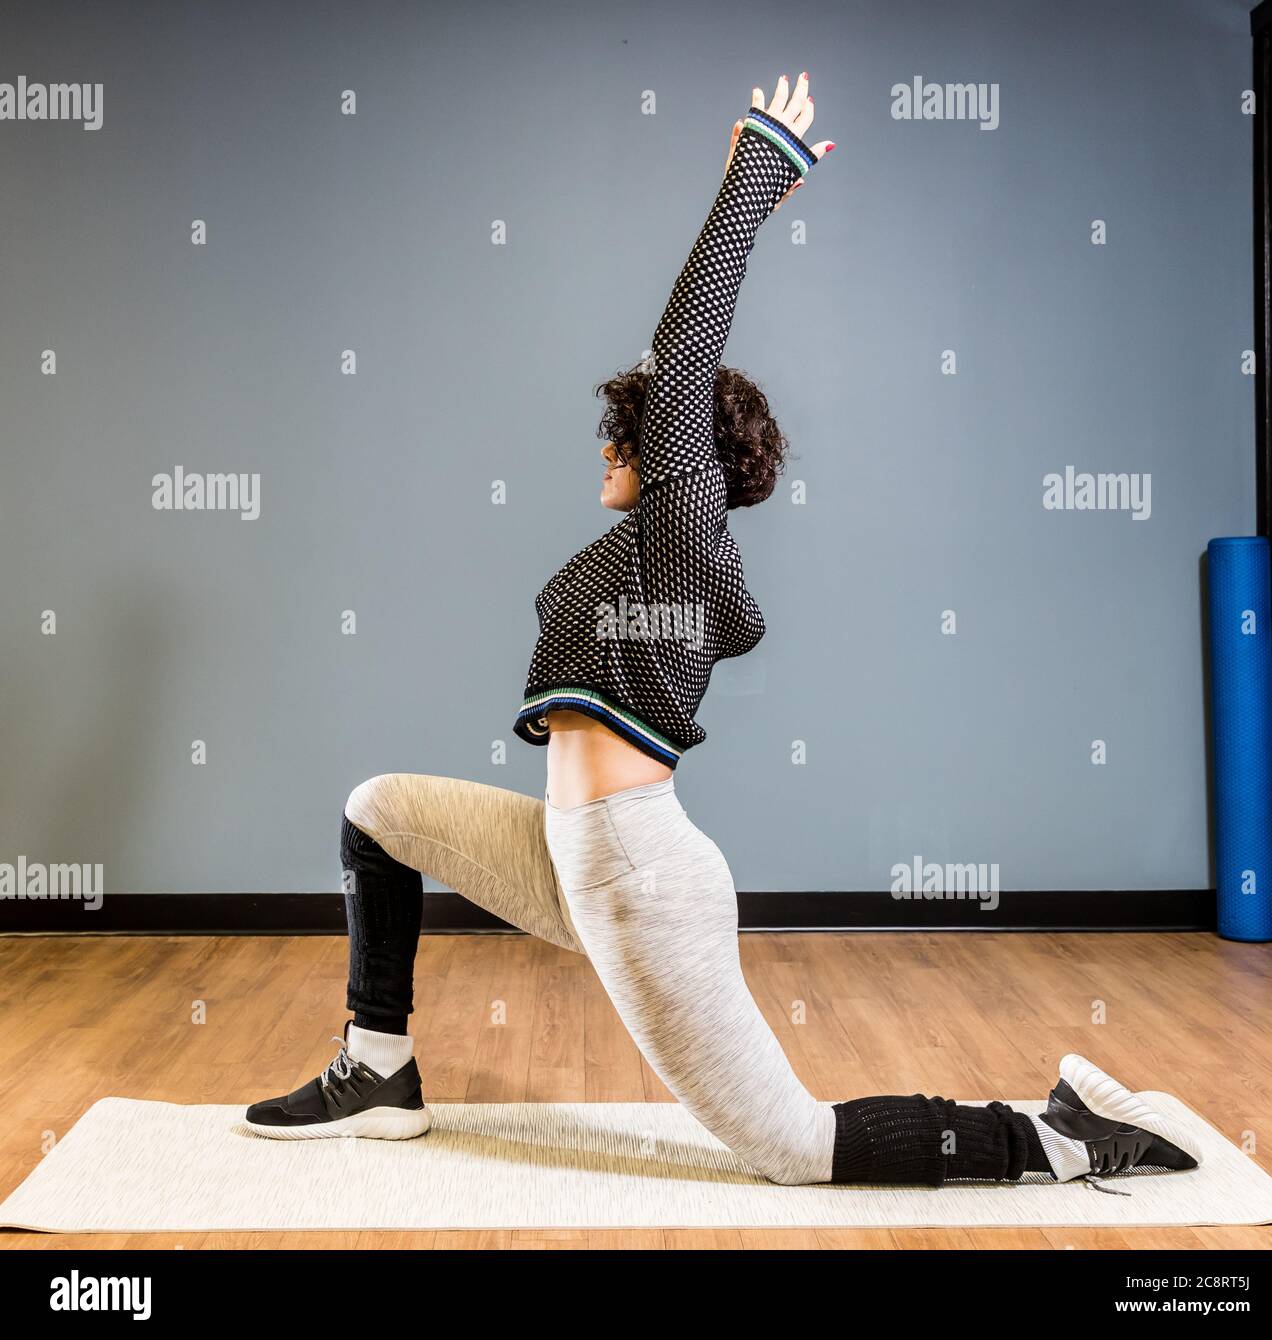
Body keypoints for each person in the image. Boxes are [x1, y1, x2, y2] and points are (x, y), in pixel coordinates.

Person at [244, 73, 1200, 1189]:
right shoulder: (652, 562)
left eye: (630, 434)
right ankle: (378, 1069)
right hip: (570, 858)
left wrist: (759, 167)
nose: (610, 448)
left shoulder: (684, 536)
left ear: (680, 455)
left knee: (794, 1147)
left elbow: (682, 342)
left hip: (643, 879)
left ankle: (1068, 1129)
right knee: (377, 811)